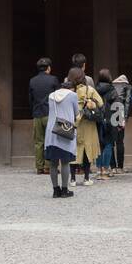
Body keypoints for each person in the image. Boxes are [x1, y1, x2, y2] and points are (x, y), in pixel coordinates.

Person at [44, 68, 82, 198]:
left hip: (51, 131)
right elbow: (77, 113)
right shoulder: (72, 96)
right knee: (65, 162)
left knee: (53, 163)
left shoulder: (51, 96)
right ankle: (65, 190)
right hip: (65, 131)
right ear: (71, 88)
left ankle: (55, 190)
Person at [72, 72, 104, 187]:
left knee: (75, 149)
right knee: (88, 150)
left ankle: (72, 179)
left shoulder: (72, 91)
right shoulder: (90, 90)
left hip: (76, 122)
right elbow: (100, 102)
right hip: (89, 124)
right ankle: (86, 178)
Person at [28, 57, 59, 175]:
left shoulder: (32, 81)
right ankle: (48, 166)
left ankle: (39, 166)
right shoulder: (53, 80)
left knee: (38, 141)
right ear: (49, 68)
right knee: (49, 140)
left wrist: (33, 110)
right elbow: (58, 97)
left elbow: (30, 99)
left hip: (37, 114)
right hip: (50, 114)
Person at [95, 69, 118, 179]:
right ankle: (105, 169)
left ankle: (98, 170)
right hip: (110, 120)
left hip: (98, 120)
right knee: (109, 145)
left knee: (99, 145)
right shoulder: (112, 89)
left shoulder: (95, 89)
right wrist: (118, 122)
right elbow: (117, 106)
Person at [111, 74, 131, 173]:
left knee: (111, 142)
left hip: (111, 112)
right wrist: (125, 117)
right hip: (120, 112)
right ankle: (120, 167)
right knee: (120, 141)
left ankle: (113, 167)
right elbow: (127, 101)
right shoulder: (127, 86)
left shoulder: (111, 85)